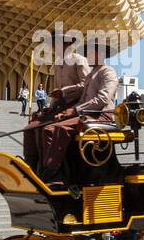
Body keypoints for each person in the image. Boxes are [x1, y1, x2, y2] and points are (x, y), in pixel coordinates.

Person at [25, 44, 118, 183]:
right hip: (86, 112)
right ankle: (34, 167)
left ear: (101, 54)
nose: (88, 57)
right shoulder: (91, 75)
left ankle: (53, 172)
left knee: (54, 128)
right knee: (35, 127)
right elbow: (83, 100)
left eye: (91, 53)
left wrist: (74, 110)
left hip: (101, 114)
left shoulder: (108, 72)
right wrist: (66, 111)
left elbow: (103, 99)